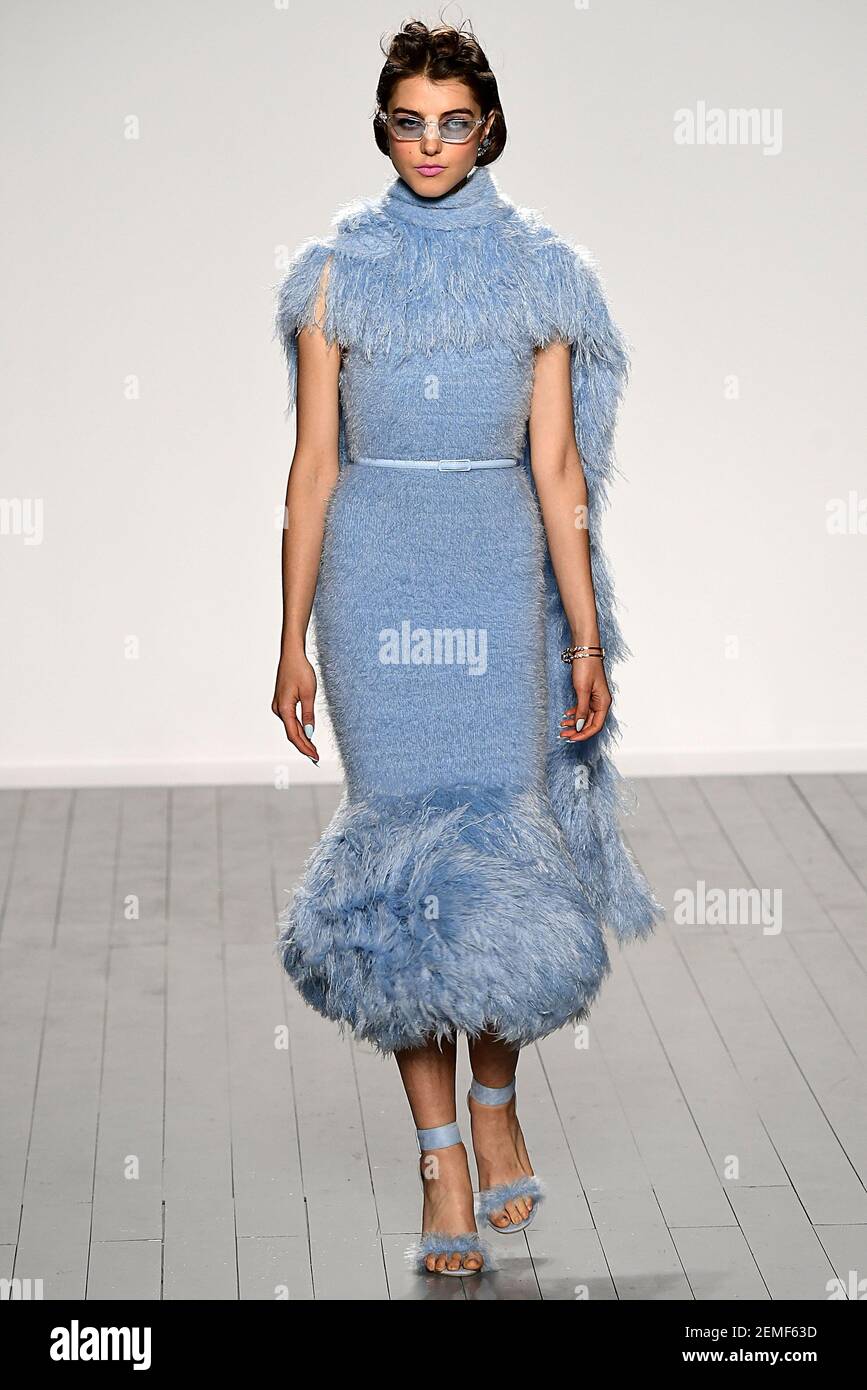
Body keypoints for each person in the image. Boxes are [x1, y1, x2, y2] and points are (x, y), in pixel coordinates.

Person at [271, 19, 660, 1276]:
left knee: (501, 857)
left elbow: (555, 468)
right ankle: (441, 1159)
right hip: (377, 579)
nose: (430, 143)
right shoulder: (335, 273)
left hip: (499, 582)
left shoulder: (540, 273)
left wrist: (588, 636)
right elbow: (314, 467)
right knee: (401, 869)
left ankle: (494, 1108)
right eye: (407, 119)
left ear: (487, 126)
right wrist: (291, 641)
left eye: (453, 120)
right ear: (382, 127)